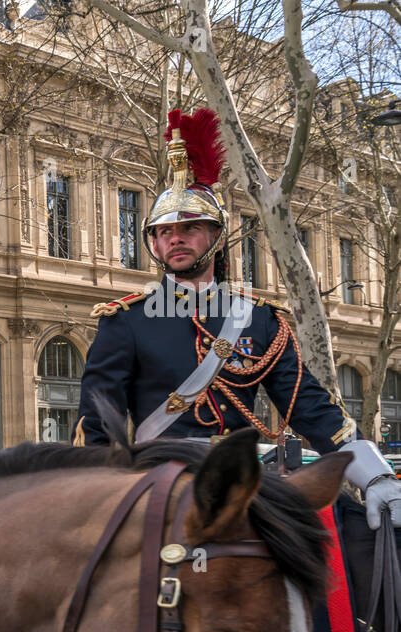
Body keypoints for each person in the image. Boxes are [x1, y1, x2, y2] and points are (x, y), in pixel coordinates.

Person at [75, 107, 401, 528]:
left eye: (190, 227)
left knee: (341, 538)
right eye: (163, 232)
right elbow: (97, 422)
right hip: (160, 487)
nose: (175, 238)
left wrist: (376, 476)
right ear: (153, 243)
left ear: (217, 237)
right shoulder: (126, 321)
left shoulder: (261, 321)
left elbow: (311, 407)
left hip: (246, 486)